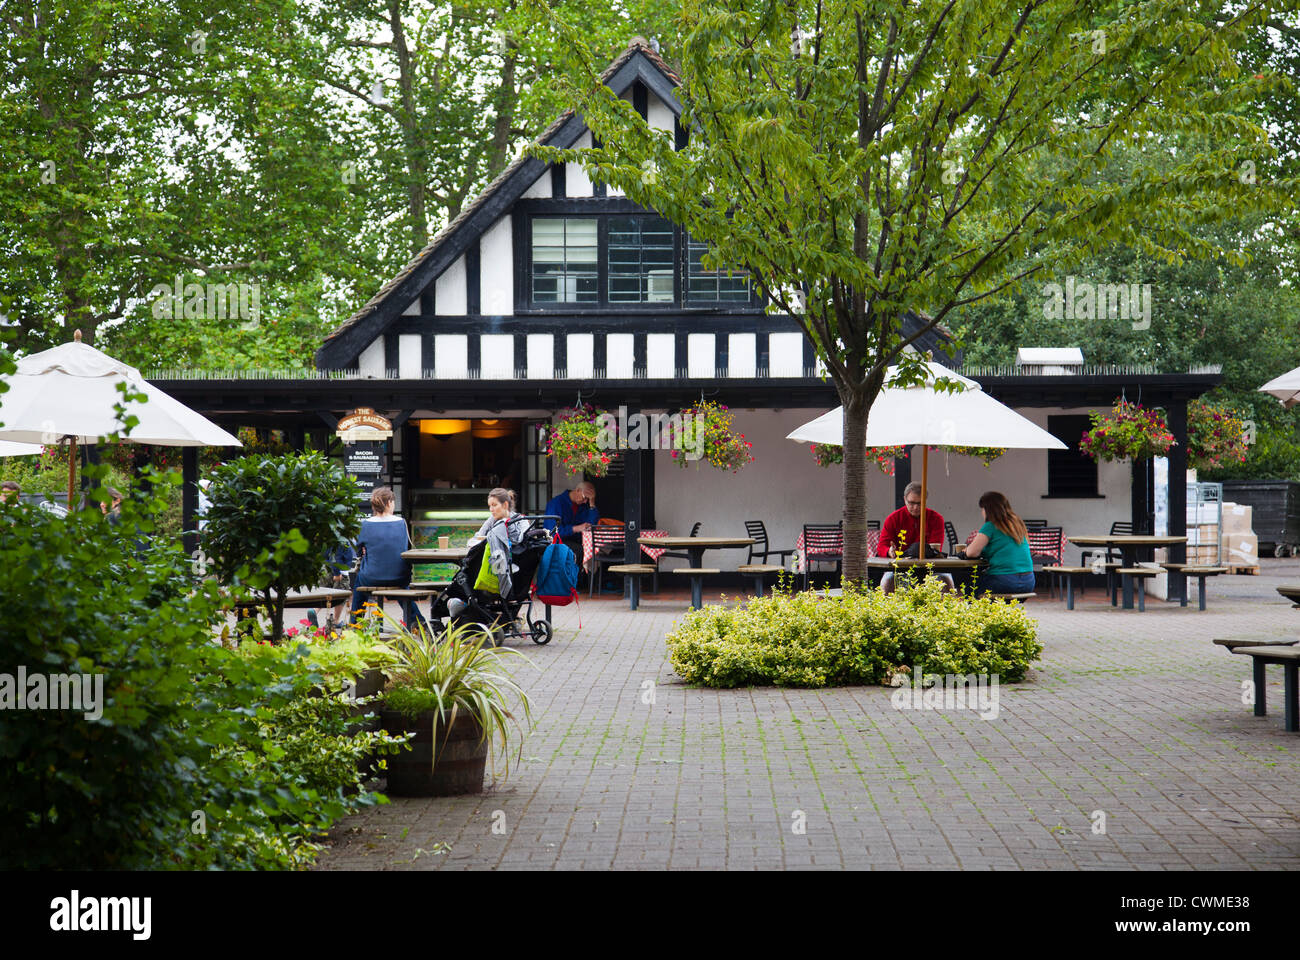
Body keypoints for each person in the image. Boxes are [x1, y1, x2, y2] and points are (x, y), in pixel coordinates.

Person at [348, 486, 424, 629]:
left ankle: (355, 624)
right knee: (402, 587)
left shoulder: (365, 524)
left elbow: (359, 551)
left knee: (359, 584)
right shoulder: (401, 523)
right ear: (389, 502)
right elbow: (404, 548)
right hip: (399, 577)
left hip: (371, 577)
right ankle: (420, 622)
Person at [877, 480, 953, 594]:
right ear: (904, 500)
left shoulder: (936, 519)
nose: (916, 507)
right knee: (887, 582)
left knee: (947, 582)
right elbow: (882, 546)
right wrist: (889, 551)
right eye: (911, 503)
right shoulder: (893, 519)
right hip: (899, 568)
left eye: (920, 503)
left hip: (930, 568)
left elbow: (936, 548)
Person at [957, 491, 1035, 596]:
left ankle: (977, 612)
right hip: (1028, 581)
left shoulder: (990, 525)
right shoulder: (1017, 524)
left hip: (1005, 580)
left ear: (987, 509)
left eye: (982, 509)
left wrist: (964, 552)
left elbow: (972, 553)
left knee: (970, 587)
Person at [543, 482, 598, 552]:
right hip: (557, 543)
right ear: (578, 490)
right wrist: (575, 529)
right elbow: (552, 532)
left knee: (600, 548)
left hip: (577, 541)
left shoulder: (584, 505)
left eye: (589, 499)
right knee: (581, 550)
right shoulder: (556, 503)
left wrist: (592, 504)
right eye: (585, 498)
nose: (585, 501)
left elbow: (591, 525)